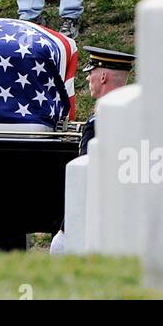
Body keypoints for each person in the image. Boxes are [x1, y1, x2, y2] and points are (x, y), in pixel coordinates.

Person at [49, 45, 134, 255]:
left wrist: (68, 227)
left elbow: (86, 175)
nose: (88, 79)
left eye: (91, 72)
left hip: (89, 220)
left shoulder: (98, 123)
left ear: (103, 76)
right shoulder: (135, 118)